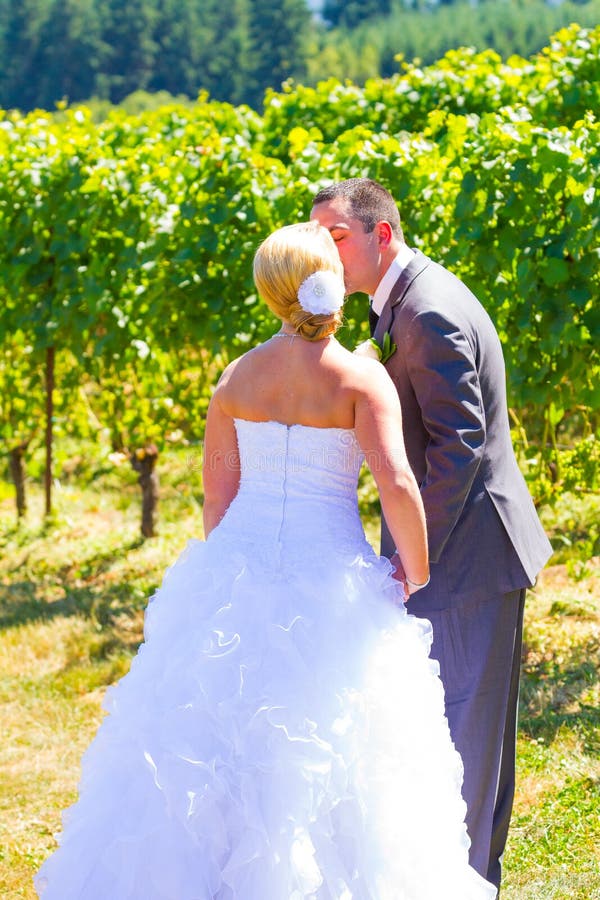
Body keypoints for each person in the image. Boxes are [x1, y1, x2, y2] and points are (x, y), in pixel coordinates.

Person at [35, 221, 496, 899]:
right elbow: (397, 483)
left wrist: (230, 575)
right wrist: (415, 570)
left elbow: (217, 501)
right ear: (332, 288)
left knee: (219, 743)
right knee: (338, 749)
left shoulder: (237, 377)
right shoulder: (359, 379)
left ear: (270, 293)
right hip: (332, 578)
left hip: (236, 574)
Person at [311, 178, 553, 893]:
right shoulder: (404, 304)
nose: (326, 253)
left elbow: (459, 450)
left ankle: (468, 882)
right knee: (453, 733)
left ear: (381, 234)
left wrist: (413, 561)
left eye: (338, 238)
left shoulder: (428, 311)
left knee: (467, 743)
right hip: (455, 555)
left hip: (466, 558)